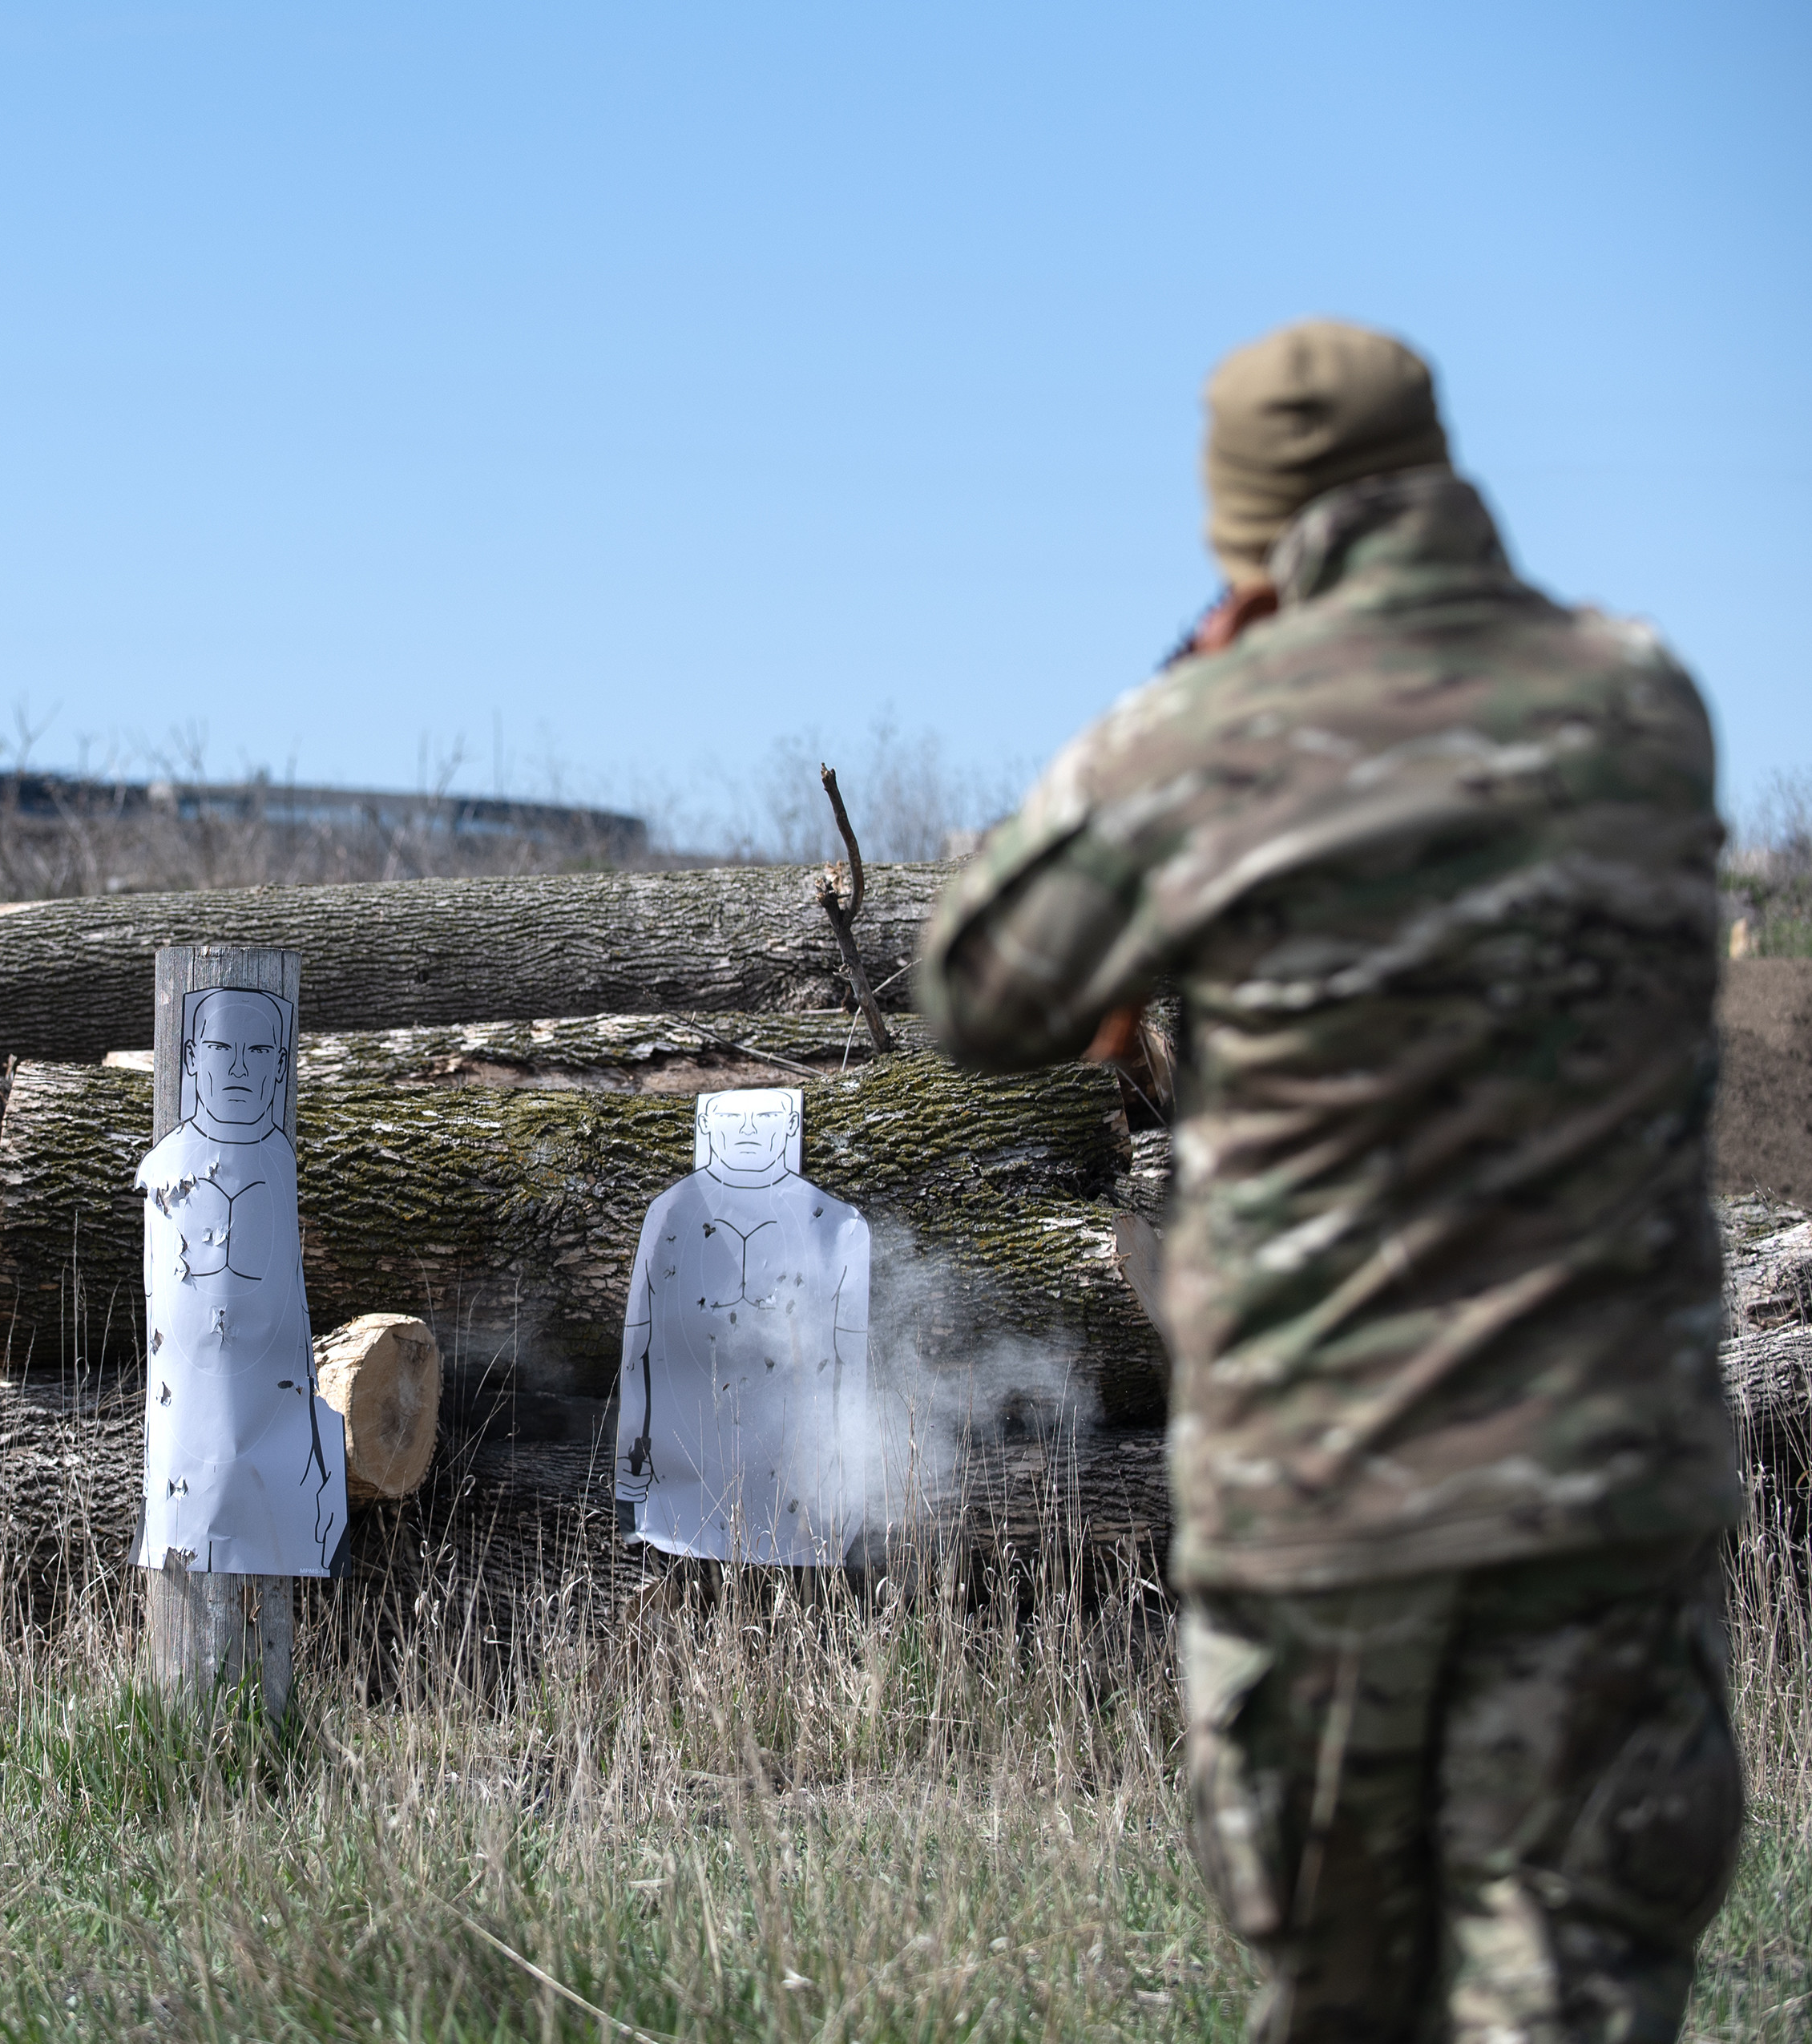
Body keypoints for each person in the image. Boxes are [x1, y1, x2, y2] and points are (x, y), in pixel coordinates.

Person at [916, 321, 1743, 2042]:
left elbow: (976, 991)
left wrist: (1179, 682)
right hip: (1604, 1492)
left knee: (1338, 2005)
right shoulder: (1641, 695)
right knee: (1579, 2000)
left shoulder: (1203, 736)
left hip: (1327, 1502)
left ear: (1244, 537)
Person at [133, 985, 344, 1576]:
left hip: (279, 1433)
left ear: (281, 1064)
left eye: (258, 1051)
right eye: (224, 1047)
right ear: (193, 1055)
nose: (239, 1068)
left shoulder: (279, 1158)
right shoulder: (169, 1164)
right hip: (184, 1452)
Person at [615, 1087, 871, 1568]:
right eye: (737, 1122)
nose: (750, 1131)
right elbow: (639, 1351)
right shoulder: (669, 1214)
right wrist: (634, 1479)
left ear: (791, 1125)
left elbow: (848, 1366)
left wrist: (845, 1490)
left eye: (768, 1117)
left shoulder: (838, 1223)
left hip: (795, 1489)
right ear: (707, 1128)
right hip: (690, 1464)